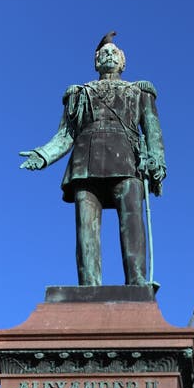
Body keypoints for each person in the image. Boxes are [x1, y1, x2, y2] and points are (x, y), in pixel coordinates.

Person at [20, 33, 166, 287]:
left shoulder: (139, 92)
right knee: (85, 229)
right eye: (103, 53)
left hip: (127, 161)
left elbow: (153, 131)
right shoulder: (79, 94)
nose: (109, 55)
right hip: (85, 161)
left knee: (132, 221)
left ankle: (137, 280)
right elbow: (66, 135)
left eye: (114, 53)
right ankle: (89, 285)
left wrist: (157, 161)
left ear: (123, 62)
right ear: (96, 62)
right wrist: (43, 155)